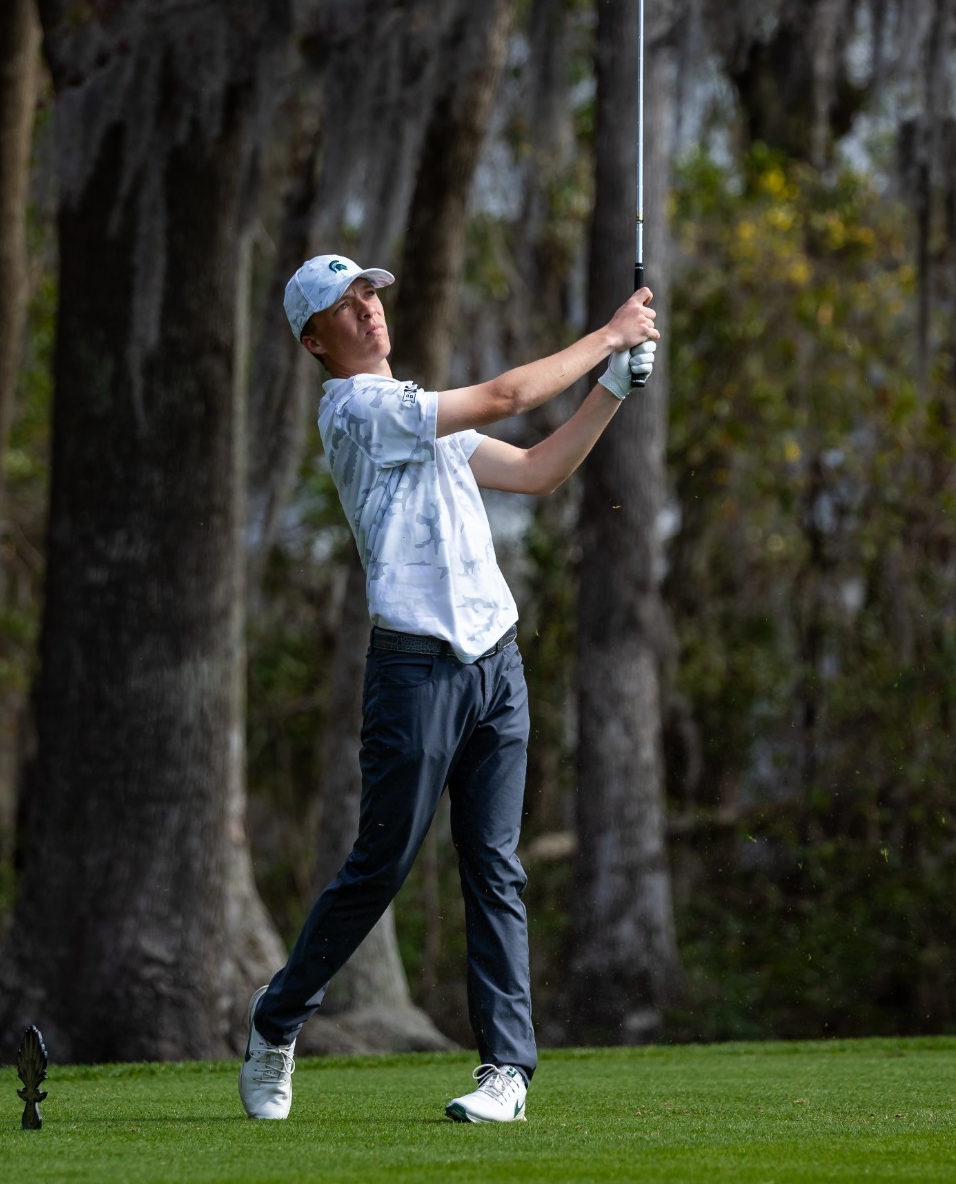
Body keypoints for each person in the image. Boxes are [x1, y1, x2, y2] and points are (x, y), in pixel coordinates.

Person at [240, 253, 659, 1123]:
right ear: (314, 339)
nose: (367, 311)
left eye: (369, 295)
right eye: (344, 306)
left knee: (495, 866)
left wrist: (613, 387)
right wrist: (609, 336)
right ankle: (277, 1020)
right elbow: (507, 395)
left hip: (494, 661)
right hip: (415, 668)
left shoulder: (424, 418)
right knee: (381, 863)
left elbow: (541, 469)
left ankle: (507, 1069)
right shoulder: (360, 411)